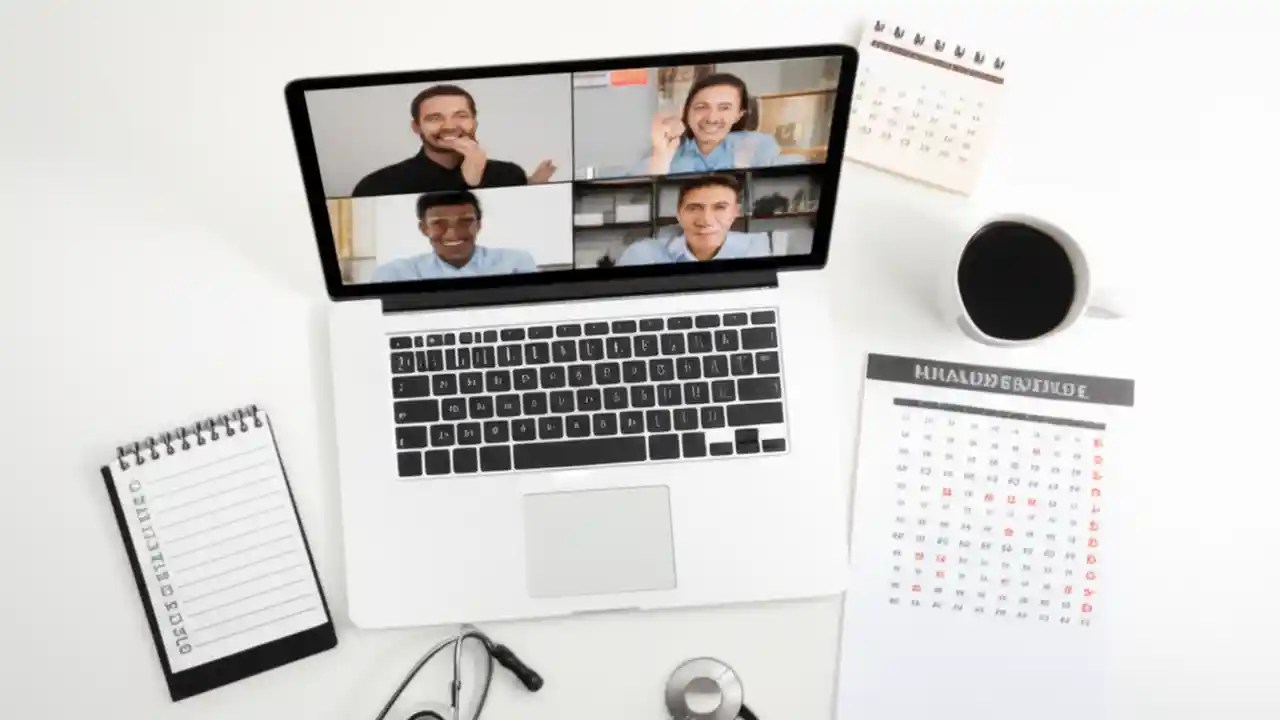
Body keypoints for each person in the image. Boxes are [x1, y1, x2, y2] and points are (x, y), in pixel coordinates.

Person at [353, 84, 556, 196]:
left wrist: (532, 194)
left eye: (461, 115)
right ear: (416, 127)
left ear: (474, 122)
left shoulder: (510, 175)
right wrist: (467, 183)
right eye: (435, 118)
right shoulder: (376, 186)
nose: (450, 126)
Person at [630, 73, 782, 176]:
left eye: (724, 108)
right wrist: (661, 156)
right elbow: (633, 198)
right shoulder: (663, 150)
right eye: (701, 107)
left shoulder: (759, 145)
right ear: (687, 111)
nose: (712, 118)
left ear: (738, 115)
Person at [371, 190, 536, 281]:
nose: (453, 234)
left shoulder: (516, 264)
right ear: (423, 228)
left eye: (465, 222)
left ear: (478, 225)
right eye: (438, 223)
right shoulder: (393, 274)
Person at [615, 174, 769, 265]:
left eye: (720, 207)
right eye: (694, 208)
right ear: (678, 214)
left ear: (736, 212)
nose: (706, 220)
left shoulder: (756, 249)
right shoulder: (642, 254)